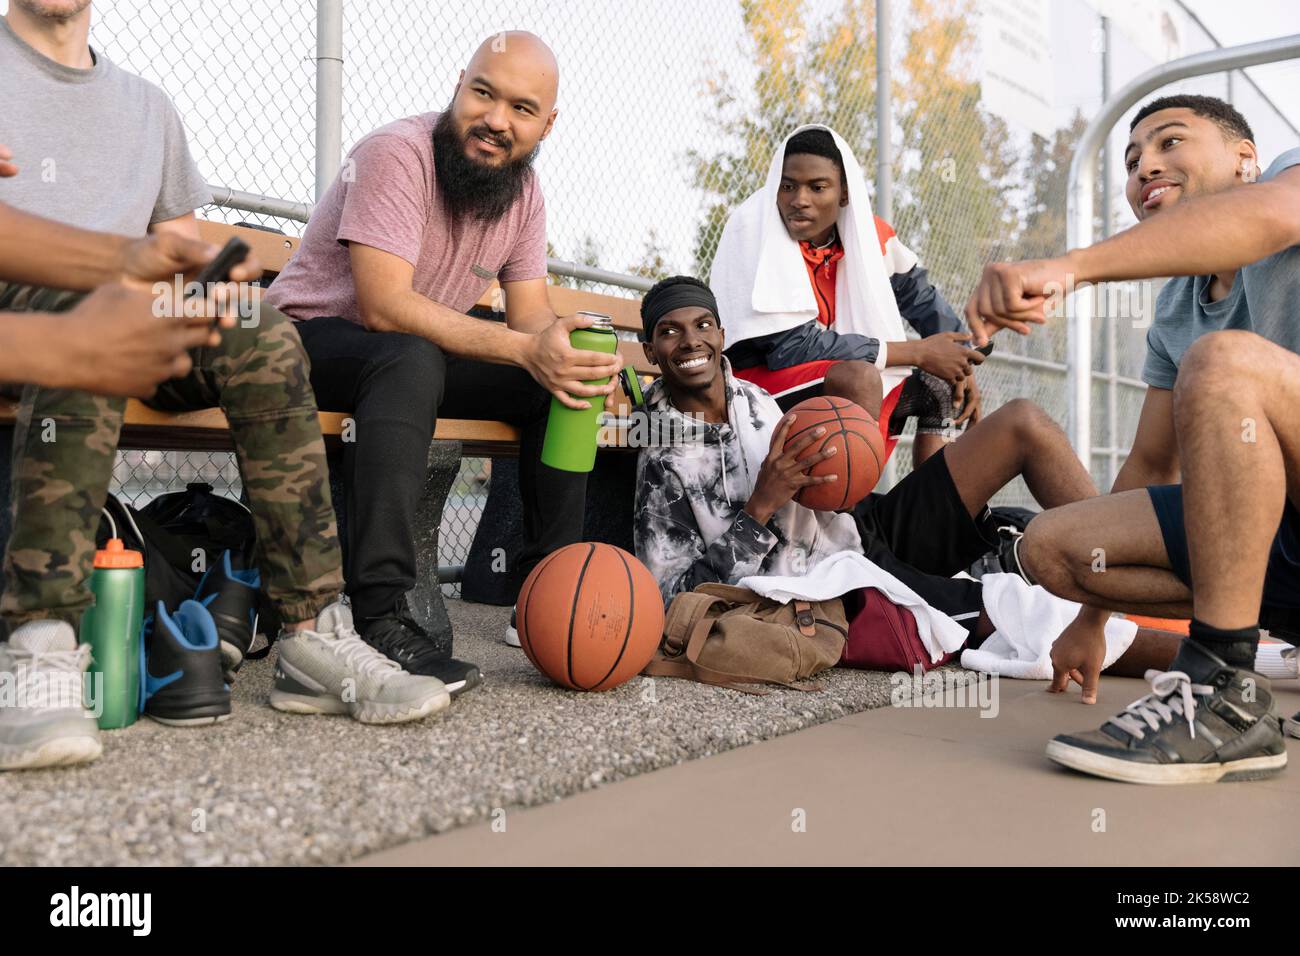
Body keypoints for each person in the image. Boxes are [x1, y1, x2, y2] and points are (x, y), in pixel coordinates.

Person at [0, 0, 448, 773]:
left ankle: (311, 633)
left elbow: (176, 249)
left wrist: (205, 291)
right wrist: (120, 276)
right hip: (32, 310)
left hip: (138, 303)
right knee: (96, 325)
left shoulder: (147, 105)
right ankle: (40, 644)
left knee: (264, 331)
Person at [967, 93, 1300, 784]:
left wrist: (1068, 268)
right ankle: (1250, 674)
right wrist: (1096, 618)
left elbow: (1272, 214)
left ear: (1246, 159)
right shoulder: (1178, 305)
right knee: (1052, 547)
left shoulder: (1288, 178)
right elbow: (1152, 462)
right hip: (1282, 527)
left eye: (1170, 142)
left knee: (1225, 363)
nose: (1146, 164)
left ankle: (1223, 693)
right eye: (1131, 159)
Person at [267, 31, 623, 665]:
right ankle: (380, 612)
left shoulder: (524, 193)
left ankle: (547, 593)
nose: (494, 120)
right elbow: (383, 306)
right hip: (303, 340)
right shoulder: (397, 153)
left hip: (405, 358)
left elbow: (532, 316)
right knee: (409, 355)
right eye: (483, 94)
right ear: (459, 83)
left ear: (547, 124)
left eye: (521, 108)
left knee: (561, 380)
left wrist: (569, 357)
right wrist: (522, 348)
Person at [630, 276, 1180, 684]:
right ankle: (1230, 649)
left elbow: (852, 386)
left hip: (861, 527)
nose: (690, 341)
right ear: (652, 351)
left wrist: (864, 443)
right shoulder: (661, 458)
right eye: (670, 333)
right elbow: (669, 601)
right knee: (1008, 612)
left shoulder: (753, 397)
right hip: (830, 583)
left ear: (721, 334)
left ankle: (1133, 566)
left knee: (1022, 425)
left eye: (701, 325)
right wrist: (760, 509)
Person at [710, 125, 985, 469]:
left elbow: (920, 296)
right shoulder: (754, 227)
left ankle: (927, 513)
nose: (799, 199)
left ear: (844, 194)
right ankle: (847, 511)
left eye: (817, 187)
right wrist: (917, 352)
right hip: (750, 389)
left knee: (940, 385)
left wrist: (962, 361)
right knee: (858, 377)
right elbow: (790, 349)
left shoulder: (864, 234)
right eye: (788, 185)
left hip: (817, 375)